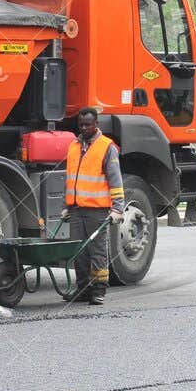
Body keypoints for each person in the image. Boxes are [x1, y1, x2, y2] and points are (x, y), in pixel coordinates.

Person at [64, 108, 125, 305]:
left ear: (96, 124)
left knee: (97, 250)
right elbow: (70, 179)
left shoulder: (107, 147)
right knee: (78, 251)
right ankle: (83, 288)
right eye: (80, 124)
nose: (83, 128)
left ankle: (99, 290)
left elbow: (115, 180)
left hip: (97, 210)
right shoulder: (74, 145)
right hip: (76, 209)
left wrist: (117, 209)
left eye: (87, 124)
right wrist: (67, 205)